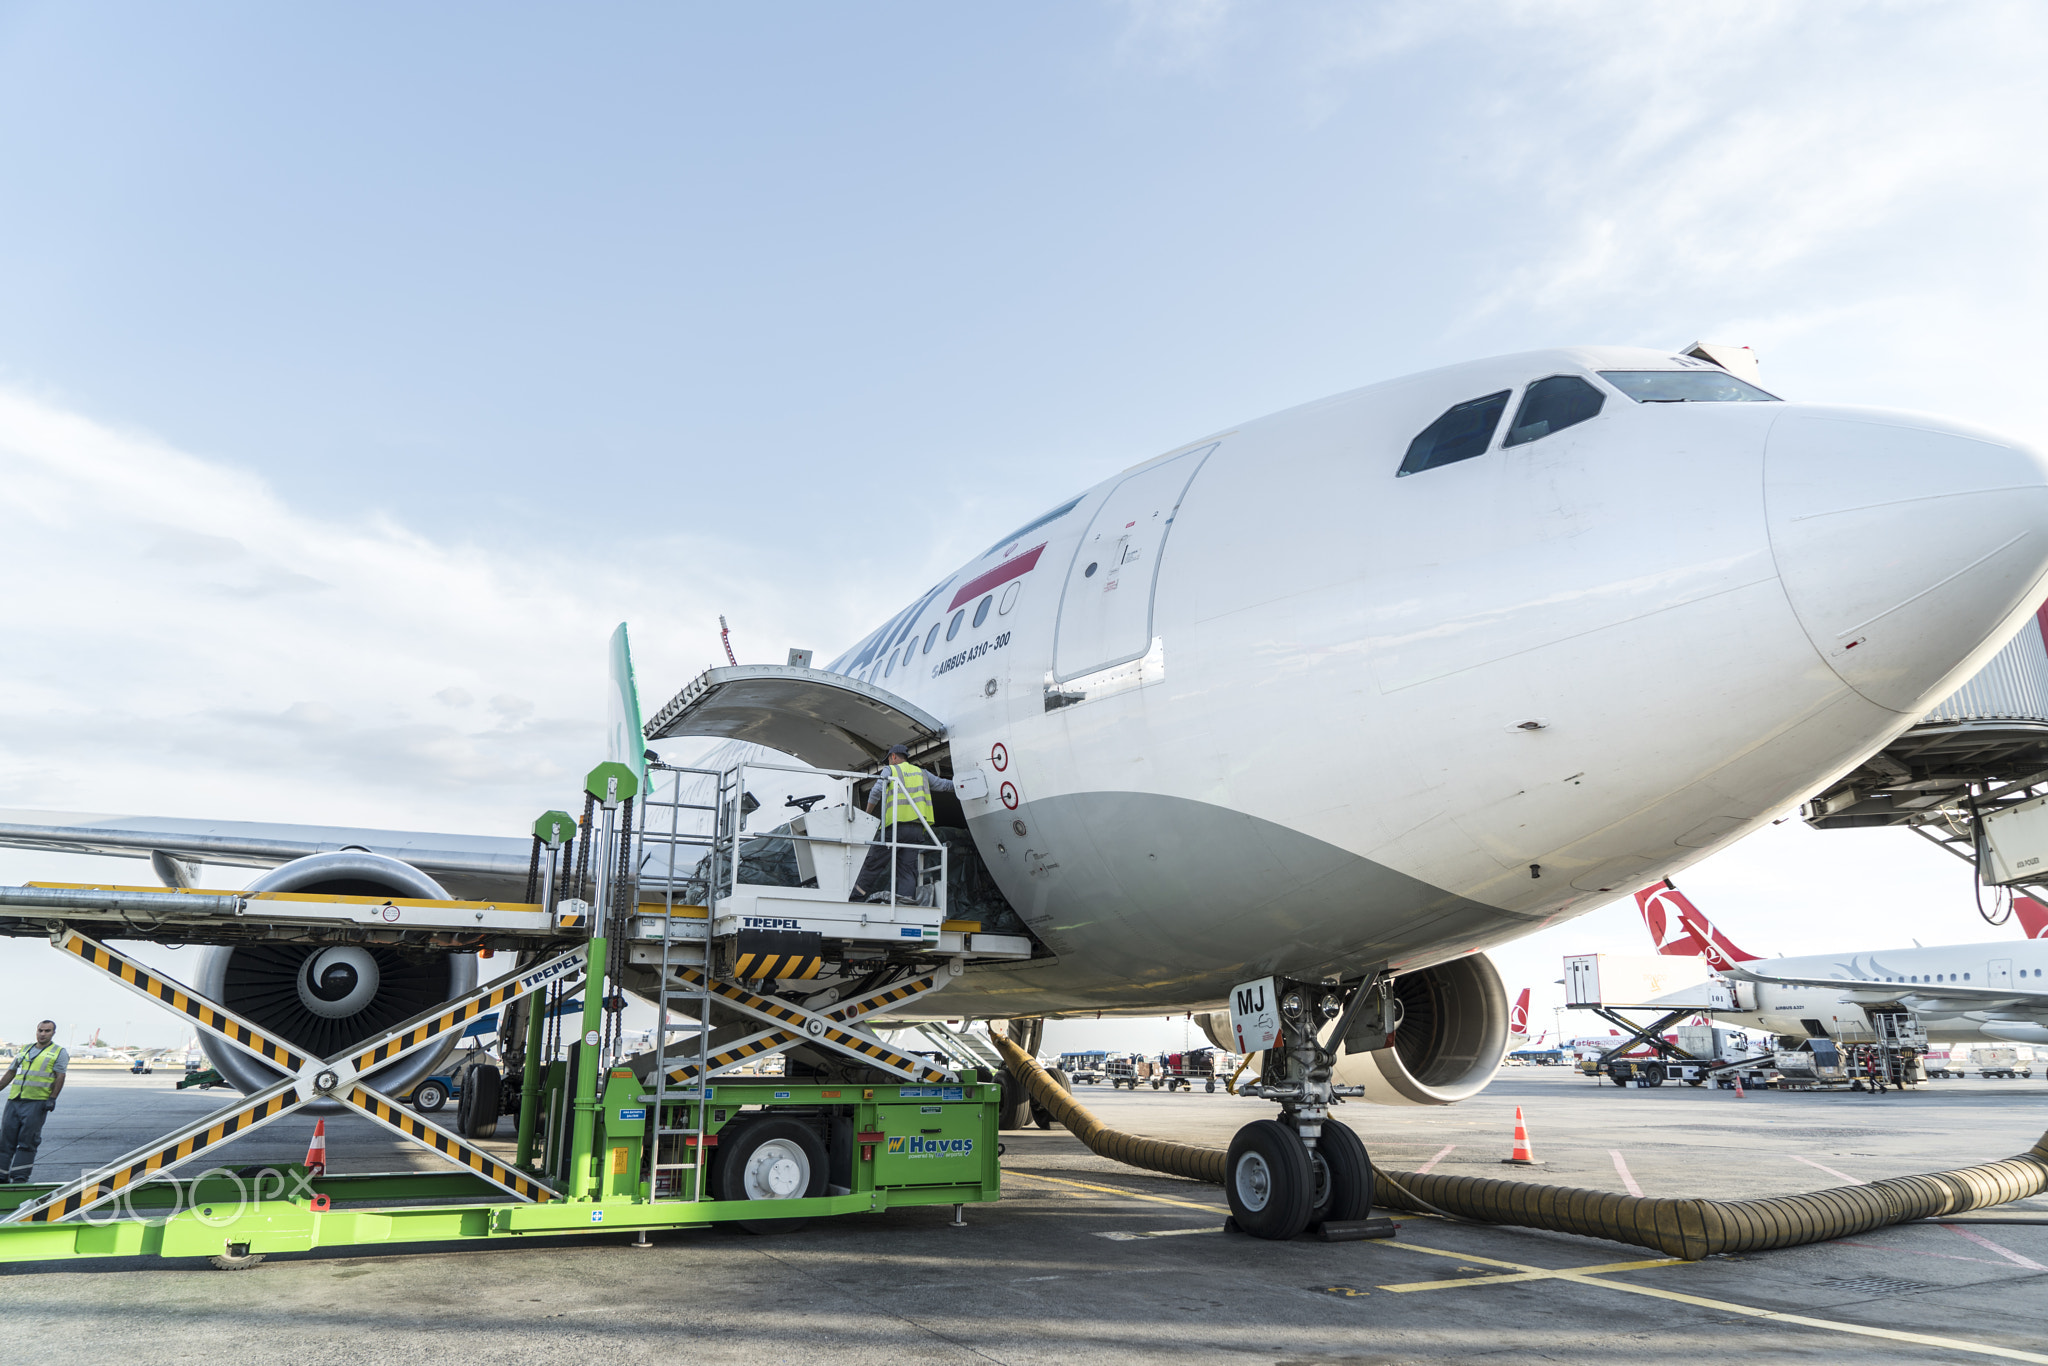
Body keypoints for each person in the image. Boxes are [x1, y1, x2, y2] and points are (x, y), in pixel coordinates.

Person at [848, 743, 953, 903]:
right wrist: (963, 785)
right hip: (917, 831)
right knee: (907, 869)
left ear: (893, 757)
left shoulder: (891, 770)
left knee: (874, 863)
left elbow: (876, 792)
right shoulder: (922, 773)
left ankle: (855, 898)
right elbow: (943, 785)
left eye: (889, 759)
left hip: (895, 829)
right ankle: (906, 901)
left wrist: (866, 815)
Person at [0, 1020, 68, 1183]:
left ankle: (19, 1176)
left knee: (27, 1140)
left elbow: (60, 1077)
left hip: (36, 1102)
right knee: (5, 1139)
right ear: (36, 1031)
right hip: (15, 1100)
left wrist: (52, 1098)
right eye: (40, 1030)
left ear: (53, 1033)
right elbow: (11, 1072)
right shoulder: (25, 1049)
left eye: (47, 1031)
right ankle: (1, 1175)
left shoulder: (59, 1052)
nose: (43, 1034)